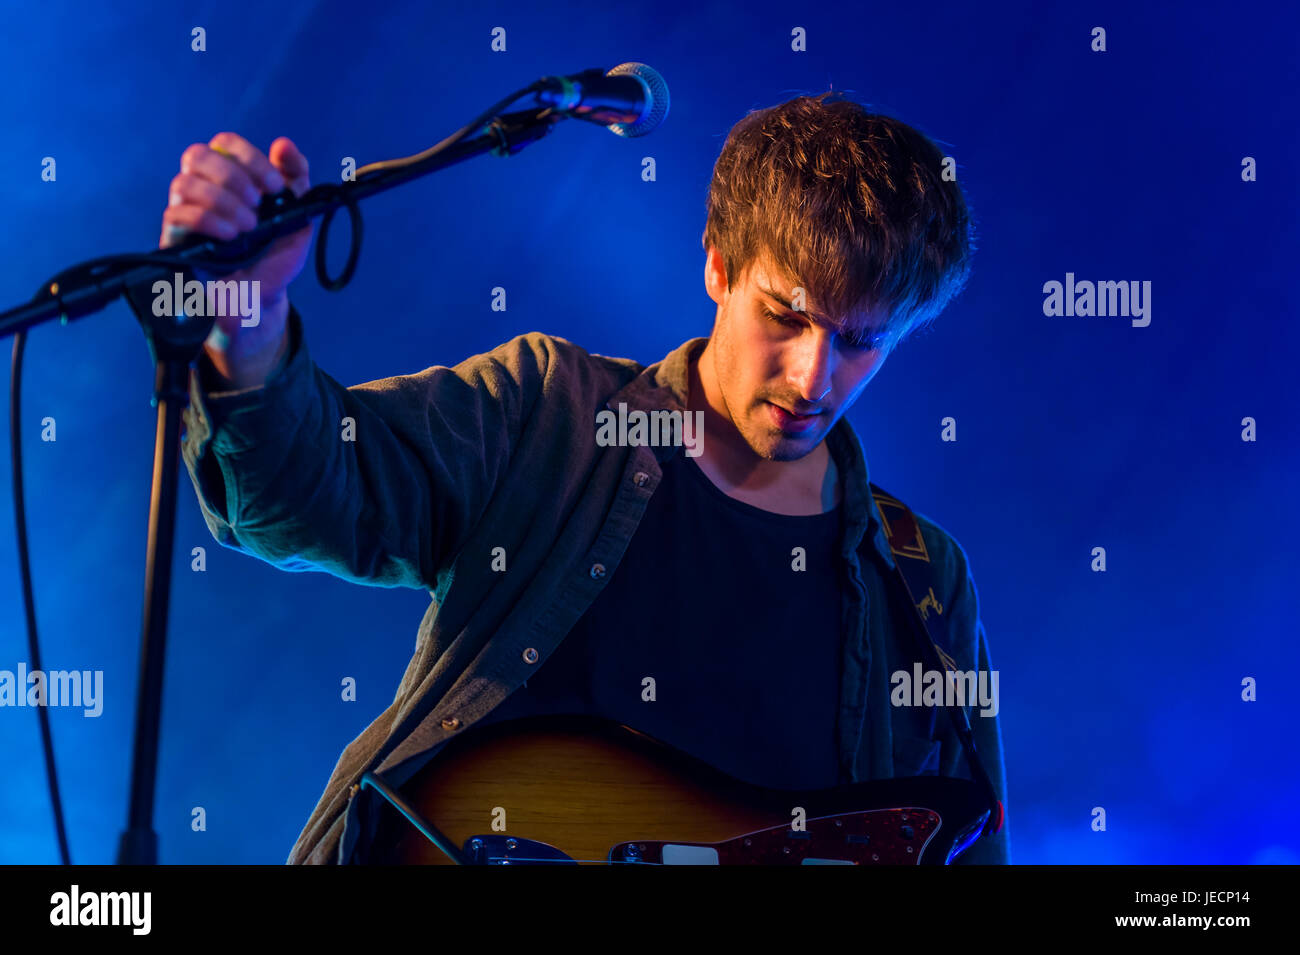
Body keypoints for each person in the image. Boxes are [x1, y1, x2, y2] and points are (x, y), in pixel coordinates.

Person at [163, 91, 1010, 865]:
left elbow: (971, 846)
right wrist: (249, 319)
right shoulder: (550, 413)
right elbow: (308, 497)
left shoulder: (926, 580)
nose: (812, 377)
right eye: (785, 315)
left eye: (860, 340)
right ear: (718, 266)